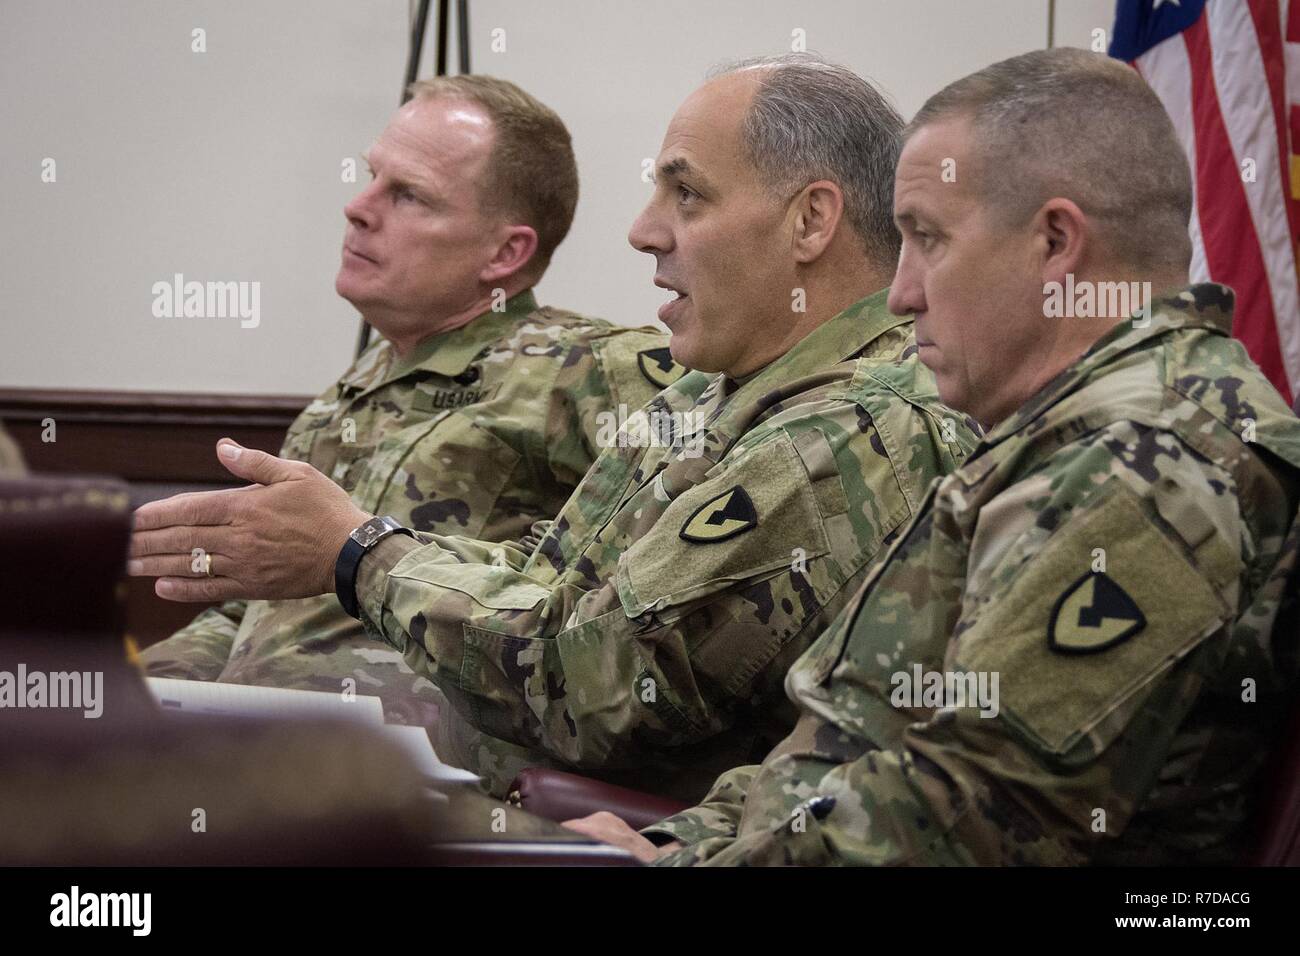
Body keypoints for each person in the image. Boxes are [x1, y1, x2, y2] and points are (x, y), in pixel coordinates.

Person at [130, 54, 977, 800]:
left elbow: (599, 687)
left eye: (685, 193)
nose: (643, 231)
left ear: (811, 221)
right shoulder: (711, 393)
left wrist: (358, 556)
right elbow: (560, 578)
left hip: (573, 825)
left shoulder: (844, 429)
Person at [570, 47, 1300, 864]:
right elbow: (847, 740)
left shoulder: (1147, 459)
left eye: (927, 239)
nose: (900, 290)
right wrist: (670, 841)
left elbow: (968, 815)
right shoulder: (1057, 437)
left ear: (1056, 243)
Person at [140, 75, 678, 730]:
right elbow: (244, 614)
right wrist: (140, 697)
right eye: (371, 177)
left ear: (505, 253)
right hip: (248, 752)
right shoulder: (349, 393)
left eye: (408, 196)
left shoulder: (593, 367)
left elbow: (639, 598)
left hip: (428, 783)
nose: (359, 208)